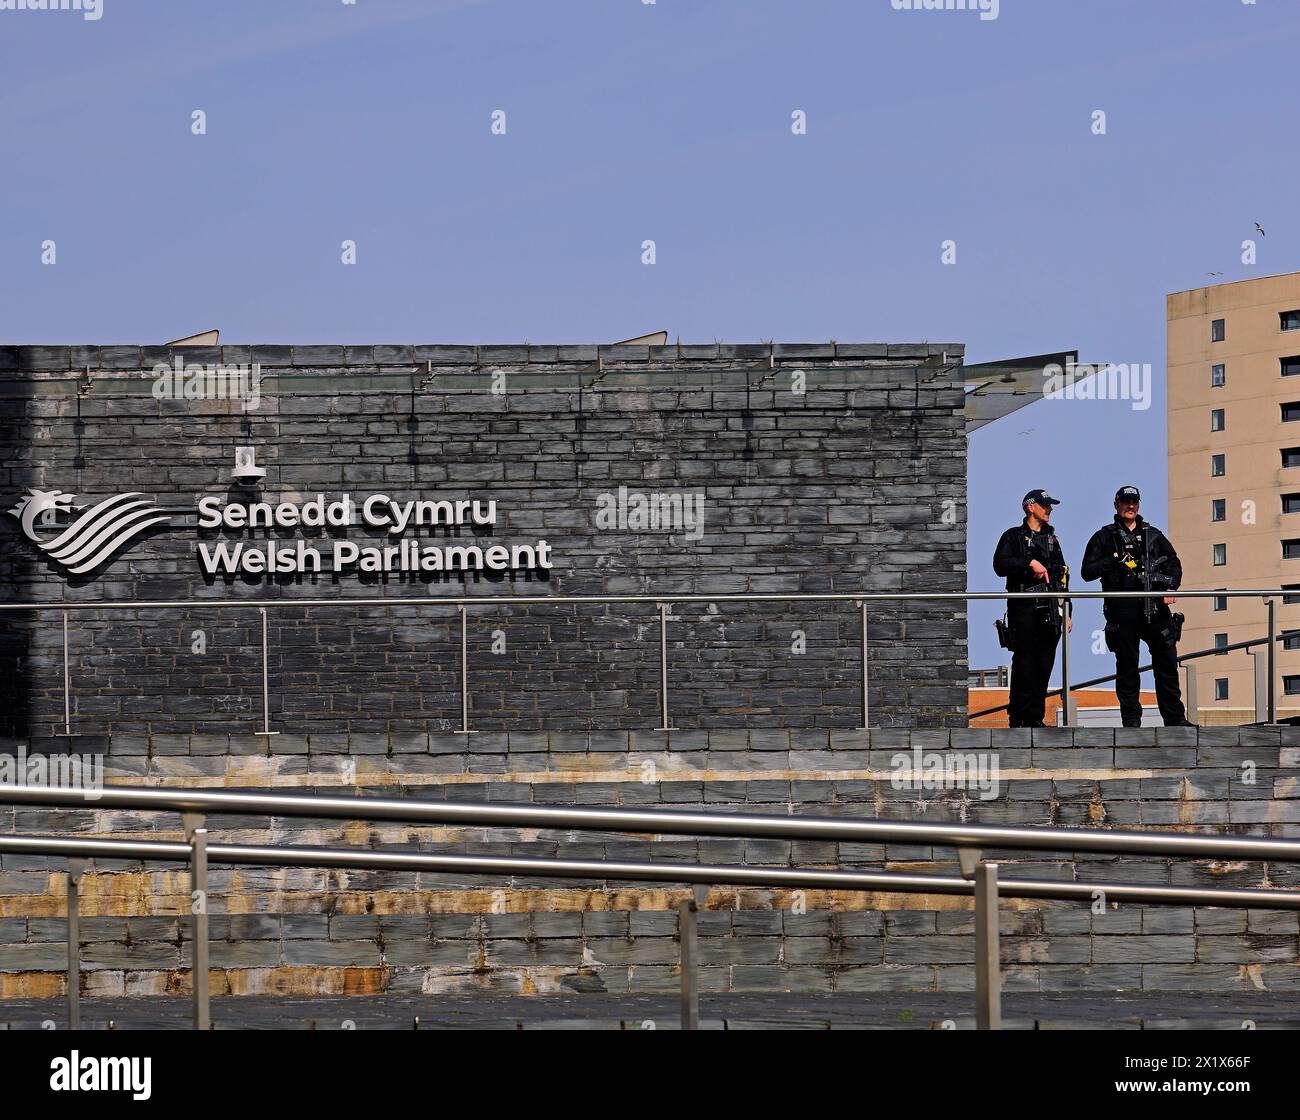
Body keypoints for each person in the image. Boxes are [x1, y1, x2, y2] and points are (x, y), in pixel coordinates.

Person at [1081, 485, 1195, 728]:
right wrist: (1113, 560)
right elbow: (1087, 572)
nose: (1130, 506)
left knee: (1166, 663)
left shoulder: (1153, 535)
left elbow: (1174, 564)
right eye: (1125, 502)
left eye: (1134, 502)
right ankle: (1131, 722)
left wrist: (1170, 588)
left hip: (1155, 609)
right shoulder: (1104, 537)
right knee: (1127, 666)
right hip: (1122, 610)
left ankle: (1175, 719)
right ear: (1116, 505)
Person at [993, 489, 1071, 728]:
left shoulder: (1052, 540)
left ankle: (1035, 717)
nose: (1049, 509)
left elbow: (1063, 577)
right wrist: (1028, 562)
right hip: (1024, 608)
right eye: (1045, 504)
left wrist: (1067, 611)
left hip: (1051, 609)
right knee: (1025, 663)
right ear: (1030, 507)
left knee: (1045, 663)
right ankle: (1018, 718)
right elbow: (1000, 564)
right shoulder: (1013, 536)